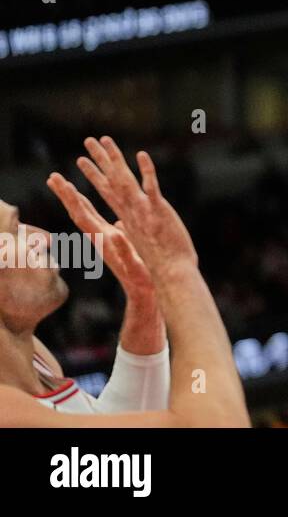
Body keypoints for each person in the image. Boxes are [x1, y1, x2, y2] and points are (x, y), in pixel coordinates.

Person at [0, 136, 249, 426]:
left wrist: (145, 301)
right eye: (15, 229)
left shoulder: (34, 359)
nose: (44, 238)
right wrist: (177, 273)